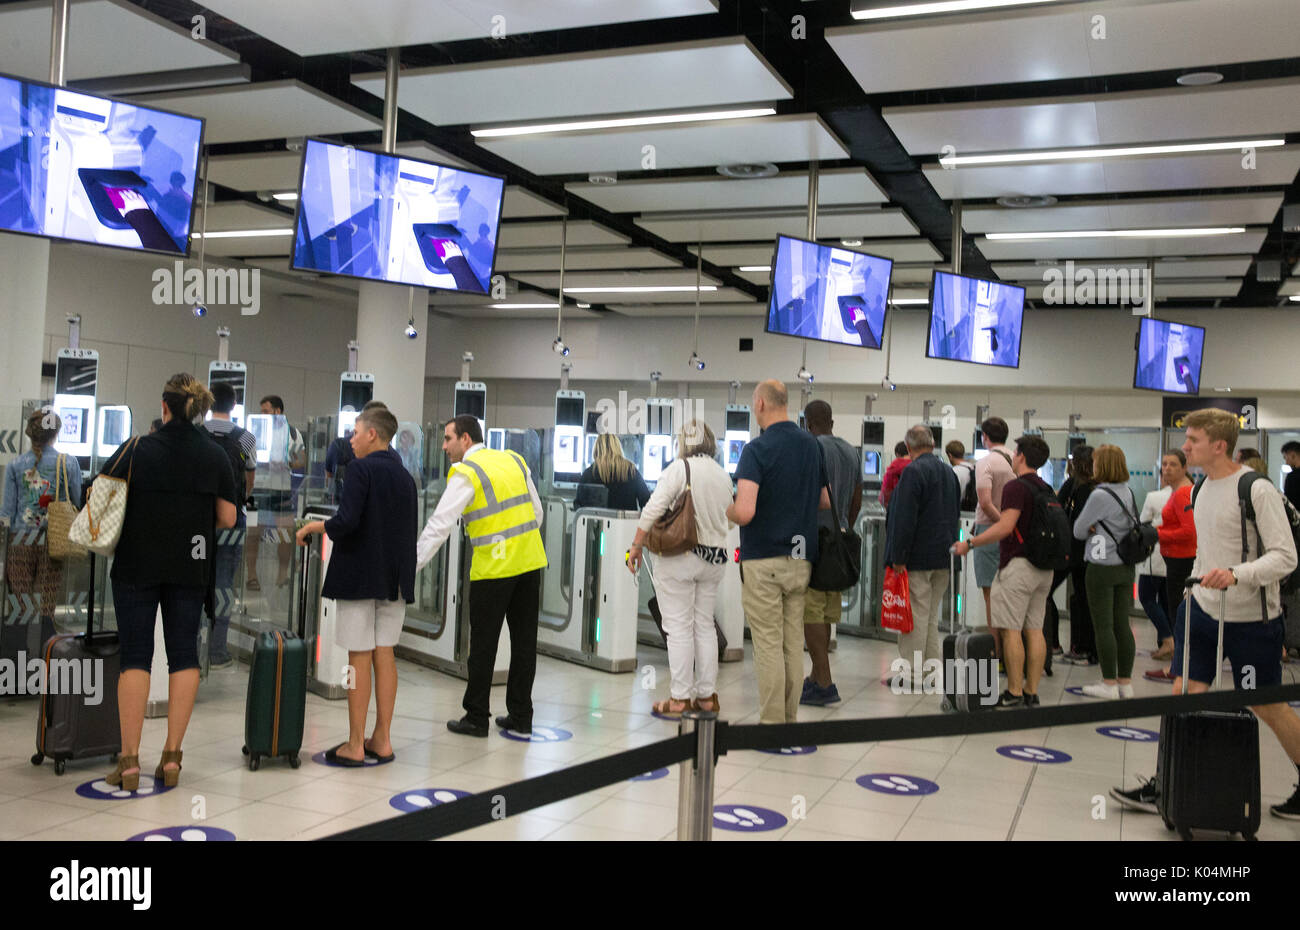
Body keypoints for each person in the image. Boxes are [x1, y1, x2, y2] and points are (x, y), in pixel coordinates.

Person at [1112, 408, 1300, 819]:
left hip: (1253, 620)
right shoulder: (1198, 490)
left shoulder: (1256, 489)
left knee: (1266, 704)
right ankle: (1167, 781)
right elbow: (1207, 548)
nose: (1184, 447)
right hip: (1201, 612)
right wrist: (1194, 587)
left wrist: (1236, 574)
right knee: (1183, 695)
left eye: (1192, 440)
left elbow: (1286, 557)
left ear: (1219, 445)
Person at [102, 374, 237, 792]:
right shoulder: (214, 455)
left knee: (136, 658)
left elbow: (102, 495)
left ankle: (128, 763)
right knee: (183, 656)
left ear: (164, 407)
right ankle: (172, 757)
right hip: (190, 565)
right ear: (197, 409)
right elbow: (229, 518)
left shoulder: (137, 448)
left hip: (136, 564)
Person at [296, 406, 416, 765]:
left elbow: (347, 521)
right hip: (395, 579)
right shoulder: (405, 477)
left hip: (361, 576)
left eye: (355, 432)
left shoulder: (361, 470)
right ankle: (383, 739)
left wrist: (312, 528)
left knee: (357, 657)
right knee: (385, 652)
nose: (351, 439)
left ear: (372, 435)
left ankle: (354, 743)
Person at [416, 415, 547, 736]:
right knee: (524, 644)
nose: (444, 446)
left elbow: (439, 526)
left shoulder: (467, 471)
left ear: (466, 439)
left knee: (484, 645)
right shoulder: (514, 460)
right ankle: (521, 715)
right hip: (529, 564)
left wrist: (408, 570)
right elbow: (538, 513)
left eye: (448, 439)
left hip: (493, 570)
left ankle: (476, 716)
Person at [726, 380, 829, 725]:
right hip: (802, 559)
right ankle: (789, 719)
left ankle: (771, 724)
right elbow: (825, 501)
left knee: (768, 643)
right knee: (792, 641)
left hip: (765, 558)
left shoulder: (757, 450)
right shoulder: (812, 446)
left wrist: (723, 508)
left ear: (759, 404)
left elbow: (745, 511)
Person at [627, 420, 734, 717]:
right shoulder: (723, 475)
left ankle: (679, 698)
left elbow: (653, 507)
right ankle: (706, 696)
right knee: (704, 626)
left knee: (678, 629)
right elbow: (731, 518)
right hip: (714, 560)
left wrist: (636, 545)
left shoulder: (680, 468)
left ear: (684, 443)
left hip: (680, 557)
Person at [953, 434, 1054, 707]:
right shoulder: (1046, 487)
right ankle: (1031, 691)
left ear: (1019, 456)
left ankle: (1013, 691)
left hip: (1019, 567)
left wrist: (970, 542)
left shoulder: (1016, 487)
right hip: (1044, 568)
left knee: (1010, 630)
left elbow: (1006, 526)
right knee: (1034, 630)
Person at [885, 424, 960, 692]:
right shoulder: (948, 473)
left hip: (917, 558)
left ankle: (912, 674)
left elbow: (904, 519)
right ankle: (931, 671)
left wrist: (898, 557)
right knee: (929, 618)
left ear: (908, 447)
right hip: (944, 558)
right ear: (932, 444)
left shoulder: (913, 472)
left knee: (914, 618)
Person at [2, 409, 82, 644]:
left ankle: (19, 654)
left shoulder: (15, 465)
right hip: (53, 540)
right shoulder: (68, 463)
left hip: (19, 541)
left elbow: (6, 511)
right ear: (56, 433)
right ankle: (46, 654)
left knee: (21, 601)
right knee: (47, 602)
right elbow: (75, 502)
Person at [801, 400, 863, 706]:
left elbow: (807, 496)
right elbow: (857, 497)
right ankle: (815, 677)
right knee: (826, 611)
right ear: (832, 422)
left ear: (808, 424)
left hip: (813, 541)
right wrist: (846, 527)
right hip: (837, 544)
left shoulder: (811, 449)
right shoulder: (851, 451)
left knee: (810, 610)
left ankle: (824, 681)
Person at [1070, 444, 1139, 699]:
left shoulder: (1099, 495)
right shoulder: (1127, 492)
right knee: (1122, 624)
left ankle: (1108, 683)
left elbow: (1078, 530)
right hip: (1125, 565)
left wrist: (1091, 528)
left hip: (1101, 565)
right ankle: (1125, 683)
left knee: (1103, 626)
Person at [203, 382, 256, 669]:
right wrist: (239, 501)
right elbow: (250, 479)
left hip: (198, 520)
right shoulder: (246, 438)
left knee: (196, 580)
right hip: (233, 518)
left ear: (209, 403)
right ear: (234, 405)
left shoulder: (197, 434)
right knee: (224, 582)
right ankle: (217, 650)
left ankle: (194, 645)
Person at [245, 395, 306, 591]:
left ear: (277, 411)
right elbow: (246, 458)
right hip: (257, 490)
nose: (262, 414)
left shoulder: (292, 433)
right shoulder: (256, 430)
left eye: (266, 410)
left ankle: (282, 574)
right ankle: (252, 575)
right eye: (261, 410)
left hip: (282, 489)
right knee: (253, 533)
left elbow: (301, 460)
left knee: (286, 533)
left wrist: (287, 463)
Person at [1145, 450, 1196, 683]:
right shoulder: (1180, 492)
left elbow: (1189, 531)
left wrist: (1158, 533)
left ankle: (1180, 669)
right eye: (1164, 464)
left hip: (1181, 560)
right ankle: (1179, 666)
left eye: (1173, 464)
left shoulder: (1183, 493)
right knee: (1177, 612)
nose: (1167, 469)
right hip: (1176, 559)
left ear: (1184, 468)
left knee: (1179, 614)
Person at [973, 416, 1015, 657]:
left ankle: (996, 653)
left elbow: (986, 503)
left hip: (990, 531)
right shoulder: (1015, 459)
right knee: (1009, 596)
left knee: (991, 596)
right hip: (1012, 533)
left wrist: (1003, 525)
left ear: (984, 437)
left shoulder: (986, 462)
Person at [1057, 445, 1099, 666]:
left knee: (1080, 600)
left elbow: (1067, 516)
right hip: (1093, 552)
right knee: (1087, 600)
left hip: (1075, 550)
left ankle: (1079, 647)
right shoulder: (1098, 487)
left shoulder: (1076, 487)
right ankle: (1089, 649)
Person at [1138, 456, 1176, 663]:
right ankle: (1166, 643)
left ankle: (1167, 640)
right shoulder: (1190, 495)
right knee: (1167, 601)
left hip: (1155, 556)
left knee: (1147, 597)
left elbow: (1143, 524)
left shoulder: (1154, 497)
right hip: (1177, 558)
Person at [575, 433, 651, 511]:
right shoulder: (631, 470)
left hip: (597, 521)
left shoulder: (589, 473)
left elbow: (578, 505)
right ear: (618, 448)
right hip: (626, 522)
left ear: (597, 450)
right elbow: (647, 502)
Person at [879, 441, 910, 507]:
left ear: (897, 454)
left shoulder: (893, 469)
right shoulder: (919, 466)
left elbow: (884, 497)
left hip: (897, 508)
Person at [946, 439, 975, 506]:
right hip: (972, 508)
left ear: (950, 456)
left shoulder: (953, 472)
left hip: (959, 508)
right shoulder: (972, 468)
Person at [1282, 441, 1300, 512]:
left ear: (1293, 455)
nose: (1286, 462)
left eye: (1286, 458)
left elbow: (1289, 503)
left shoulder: (1292, 477)